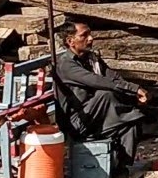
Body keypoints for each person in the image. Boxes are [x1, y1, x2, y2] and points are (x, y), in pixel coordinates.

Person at [52, 21, 149, 170]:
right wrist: (133, 90)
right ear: (70, 41)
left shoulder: (91, 59)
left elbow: (113, 77)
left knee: (131, 124)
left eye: (90, 34)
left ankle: (121, 169)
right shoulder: (66, 65)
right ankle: (151, 113)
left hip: (99, 115)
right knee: (106, 94)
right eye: (84, 35)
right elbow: (97, 81)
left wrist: (135, 90)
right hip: (79, 122)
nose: (90, 39)